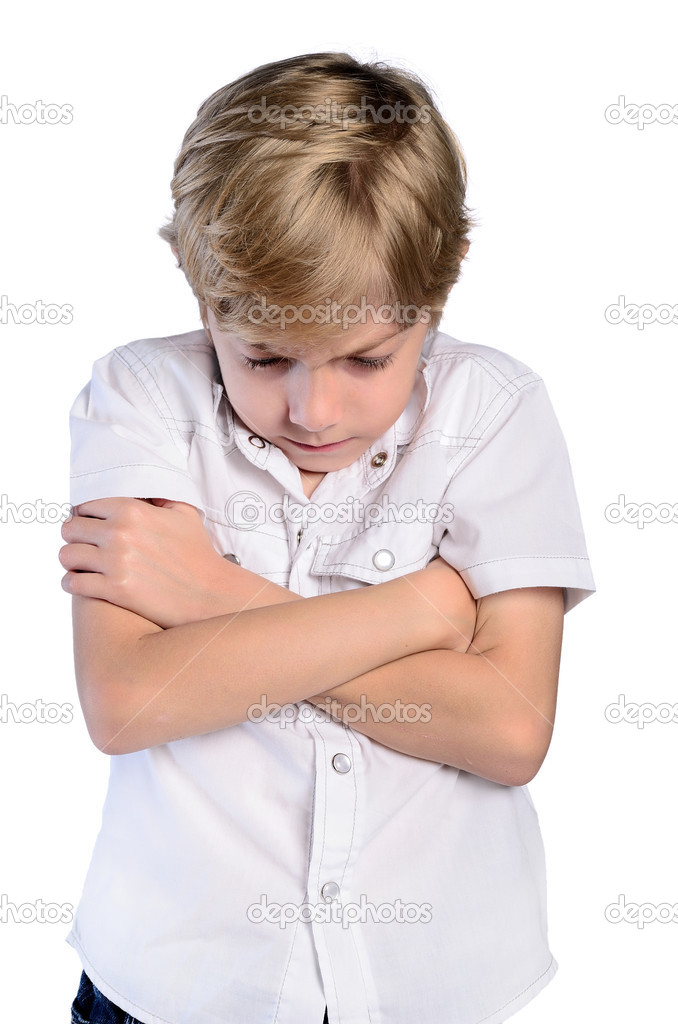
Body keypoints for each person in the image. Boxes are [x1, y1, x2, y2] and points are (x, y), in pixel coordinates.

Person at [60, 52, 595, 1024]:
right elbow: (131, 699)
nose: (313, 407)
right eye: (263, 355)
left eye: (365, 358)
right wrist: (422, 612)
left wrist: (217, 596)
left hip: (435, 989)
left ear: (434, 302)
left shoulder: (497, 412)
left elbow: (508, 729)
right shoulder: (142, 399)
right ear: (203, 300)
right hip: (173, 988)